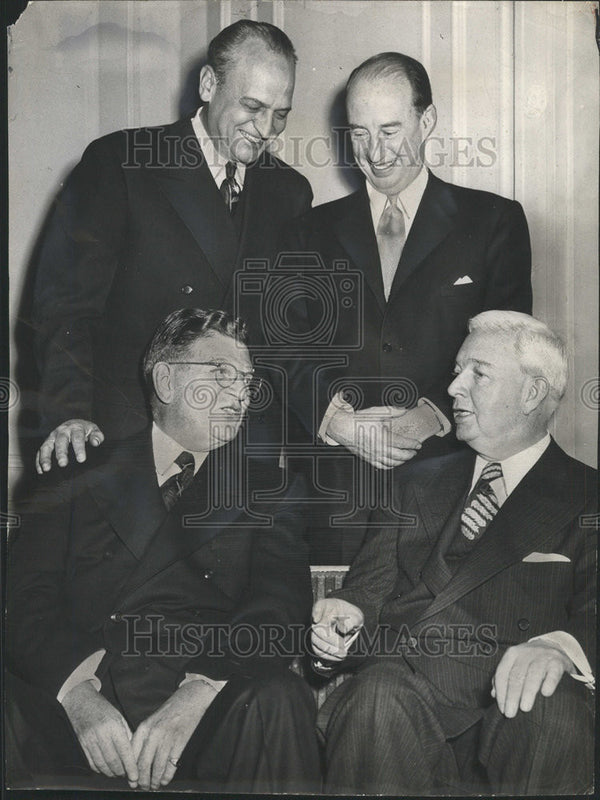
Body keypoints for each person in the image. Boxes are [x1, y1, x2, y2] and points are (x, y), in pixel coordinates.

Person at [7, 308, 320, 793]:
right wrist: (76, 696)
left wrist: (201, 689)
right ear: (167, 381)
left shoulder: (270, 491)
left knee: (280, 696)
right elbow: (25, 601)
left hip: (206, 712)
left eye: (247, 381)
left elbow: (278, 607)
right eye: (222, 373)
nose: (241, 394)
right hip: (83, 709)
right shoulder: (77, 470)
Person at [311, 311, 596, 794]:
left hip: (515, 710)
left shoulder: (588, 495)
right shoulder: (411, 484)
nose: (453, 388)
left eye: (478, 374)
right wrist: (343, 622)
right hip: (406, 700)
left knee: (550, 707)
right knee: (376, 695)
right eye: (457, 371)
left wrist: (559, 648)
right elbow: (367, 594)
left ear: (532, 393)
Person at [32, 19, 312, 474]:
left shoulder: (291, 193)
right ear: (208, 84)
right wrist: (70, 412)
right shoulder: (122, 162)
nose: (267, 129)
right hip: (128, 437)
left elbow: (288, 334)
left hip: (238, 450)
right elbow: (66, 308)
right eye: (253, 106)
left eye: (281, 113)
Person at [287, 52, 532, 562]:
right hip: (336, 493)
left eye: (390, 130)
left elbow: (508, 352)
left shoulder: (494, 221)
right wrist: (339, 424)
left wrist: (427, 417)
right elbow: (284, 350)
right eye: (359, 133)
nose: (375, 153)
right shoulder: (308, 230)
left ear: (428, 120)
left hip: (451, 485)